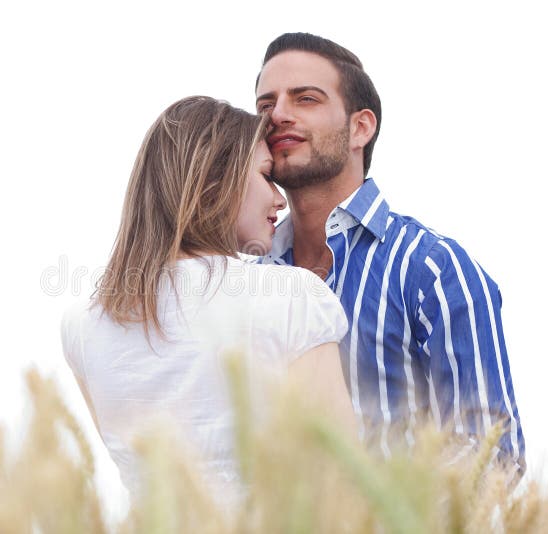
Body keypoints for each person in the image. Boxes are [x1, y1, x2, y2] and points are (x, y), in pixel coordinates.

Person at [254, 33, 525, 477]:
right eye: (266, 105)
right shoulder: (246, 280)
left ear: (361, 127)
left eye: (305, 99)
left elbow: (492, 454)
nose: (278, 115)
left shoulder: (434, 269)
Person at [61, 96, 354, 502]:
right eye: (266, 176)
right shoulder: (294, 297)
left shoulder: (82, 325)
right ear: (216, 180)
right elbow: (343, 477)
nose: (279, 199)